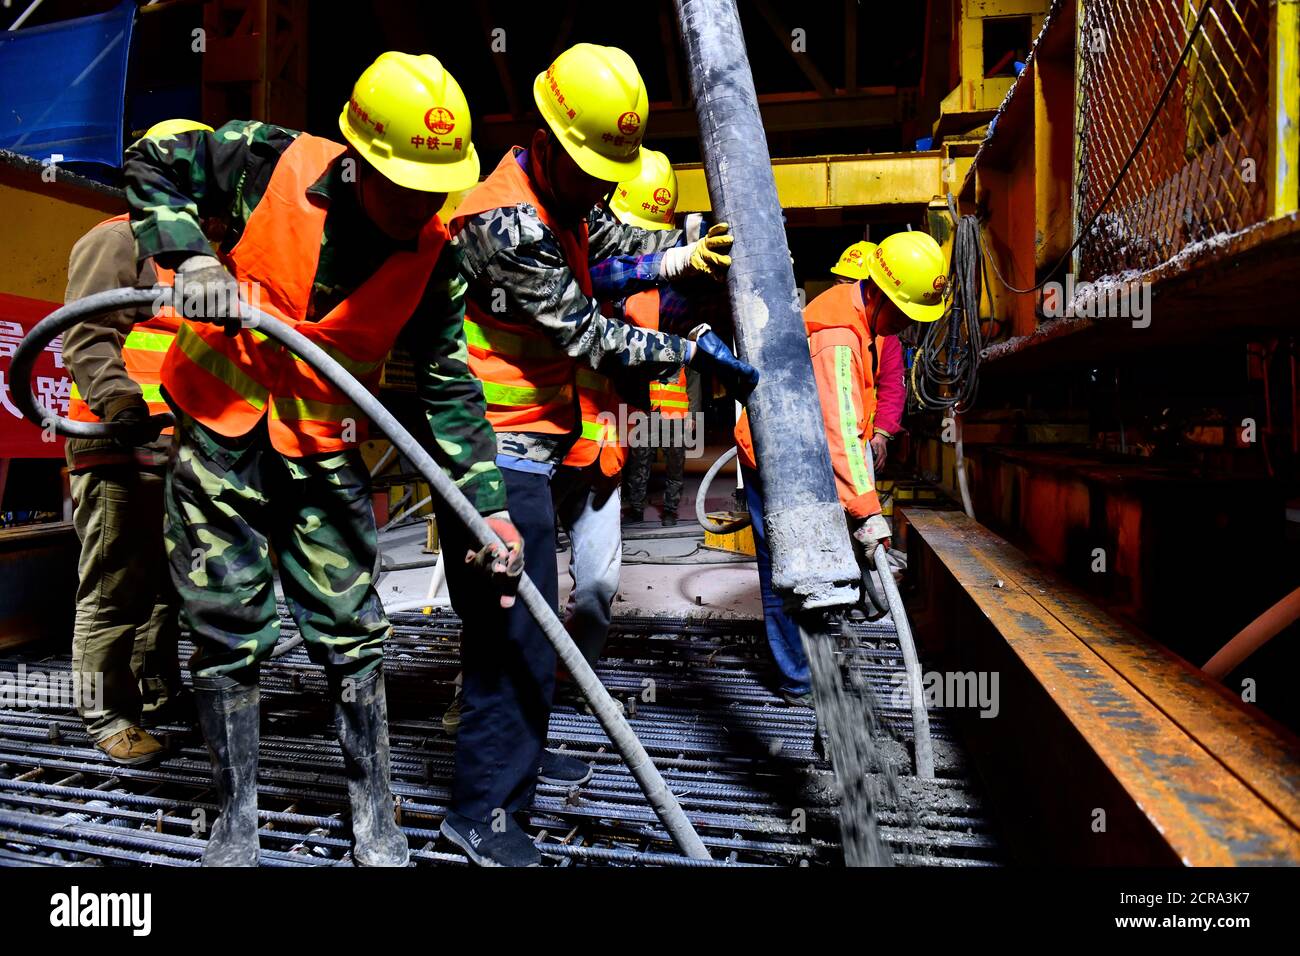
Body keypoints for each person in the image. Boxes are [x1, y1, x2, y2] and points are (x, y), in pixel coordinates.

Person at [122, 53, 518, 866]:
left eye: (433, 189)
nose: (419, 205)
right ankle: (236, 811)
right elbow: (151, 158)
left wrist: (490, 506)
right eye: (404, 185)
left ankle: (373, 802)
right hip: (217, 431)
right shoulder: (268, 161)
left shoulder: (437, 254)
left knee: (350, 628)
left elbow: (450, 385)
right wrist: (190, 255)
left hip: (321, 455)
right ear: (359, 159)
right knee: (226, 624)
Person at [443, 43, 757, 866]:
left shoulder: (566, 196)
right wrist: (688, 353)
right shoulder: (502, 220)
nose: (596, 187)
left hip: (535, 452)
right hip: (495, 456)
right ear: (545, 133)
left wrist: (681, 258)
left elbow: (617, 241)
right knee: (511, 636)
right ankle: (480, 812)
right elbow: (585, 329)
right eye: (588, 168)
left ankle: (522, 772)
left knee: (530, 636)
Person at [735, 231, 947, 705]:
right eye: (905, 314)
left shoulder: (864, 322)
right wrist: (868, 511)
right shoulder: (838, 335)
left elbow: (853, 423)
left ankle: (816, 660)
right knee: (787, 566)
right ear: (877, 292)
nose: (906, 326)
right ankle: (797, 680)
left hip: (803, 452)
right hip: (776, 456)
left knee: (817, 560)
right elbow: (839, 428)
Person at [62, 120, 212, 766]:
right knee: (114, 590)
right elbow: (85, 336)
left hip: (176, 450)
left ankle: (155, 691)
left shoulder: (196, 255)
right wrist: (122, 407)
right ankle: (107, 715)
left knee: (165, 589)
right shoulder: (118, 237)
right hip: (117, 446)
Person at [829, 241, 906, 468]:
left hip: (859, 441)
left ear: (871, 290)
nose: (844, 293)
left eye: (851, 284)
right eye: (839, 284)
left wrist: (881, 435)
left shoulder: (885, 335)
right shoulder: (818, 323)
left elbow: (892, 386)